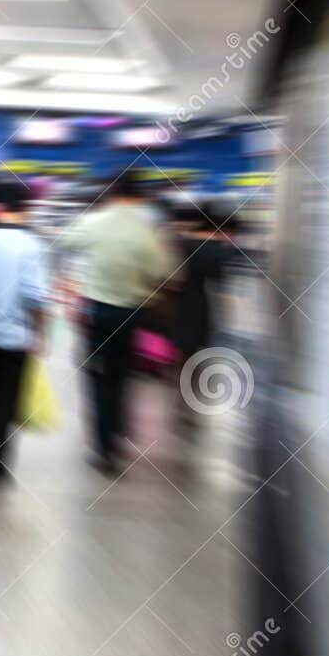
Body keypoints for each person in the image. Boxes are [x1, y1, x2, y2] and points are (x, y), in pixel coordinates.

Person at [57, 171, 173, 475]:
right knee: (122, 378)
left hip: (97, 314)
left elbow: (66, 240)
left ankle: (102, 448)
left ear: (111, 192)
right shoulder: (146, 229)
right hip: (131, 314)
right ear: (138, 196)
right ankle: (116, 438)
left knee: (97, 377)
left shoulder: (97, 221)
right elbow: (161, 272)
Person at [0, 179, 47, 484]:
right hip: (19, 334)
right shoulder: (31, 244)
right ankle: (0, 458)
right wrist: (40, 333)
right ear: (24, 209)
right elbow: (35, 296)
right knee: (11, 395)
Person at [169, 206, 233, 443]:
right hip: (199, 308)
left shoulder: (180, 243)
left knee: (183, 355)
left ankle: (180, 405)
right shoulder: (214, 251)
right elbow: (221, 284)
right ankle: (187, 407)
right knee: (195, 357)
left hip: (178, 305)